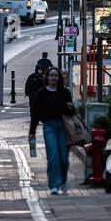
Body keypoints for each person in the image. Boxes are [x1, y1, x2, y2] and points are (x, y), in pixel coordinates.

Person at [29, 66, 75, 195]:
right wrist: (32, 131)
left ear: (59, 78)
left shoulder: (65, 92)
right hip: (49, 126)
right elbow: (35, 113)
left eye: (56, 75)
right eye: (51, 75)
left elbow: (71, 112)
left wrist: (67, 107)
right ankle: (54, 184)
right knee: (53, 155)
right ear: (47, 78)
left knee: (64, 158)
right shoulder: (42, 94)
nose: (53, 78)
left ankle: (63, 181)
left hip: (64, 126)